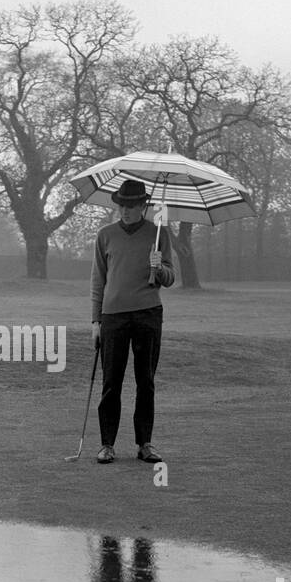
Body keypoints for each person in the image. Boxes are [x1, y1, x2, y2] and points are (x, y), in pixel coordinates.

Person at [89, 178, 175, 464]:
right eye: (121, 205)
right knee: (111, 382)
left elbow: (170, 278)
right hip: (112, 316)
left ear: (143, 206)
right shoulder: (105, 235)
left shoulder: (158, 233)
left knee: (145, 381)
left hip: (148, 314)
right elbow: (98, 280)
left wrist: (158, 268)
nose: (124, 210)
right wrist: (94, 322)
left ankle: (145, 443)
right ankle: (107, 445)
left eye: (131, 206)